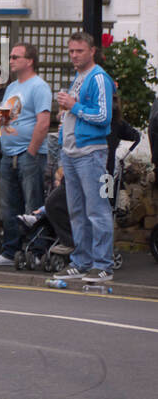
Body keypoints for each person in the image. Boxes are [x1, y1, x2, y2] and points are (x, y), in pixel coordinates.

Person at [55, 31, 115, 283]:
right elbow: (78, 113)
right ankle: (82, 261)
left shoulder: (98, 78)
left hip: (91, 154)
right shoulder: (79, 77)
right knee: (77, 211)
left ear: (92, 51)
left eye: (79, 51)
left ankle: (103, 265)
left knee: (97, 210)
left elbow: (103, 116)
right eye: (71, 51)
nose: (74, 55)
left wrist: (73, 107)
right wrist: (65, 116)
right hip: (72, 152)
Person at [0, 42, 52, 266]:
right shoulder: (12, 87)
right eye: (11, 57)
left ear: (30, 61)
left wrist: (31, 152)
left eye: (16, 57)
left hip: (28, 155)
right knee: (9, 206)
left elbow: (43, 122)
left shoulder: (39, 86)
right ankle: (10, 251)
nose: (11, 60)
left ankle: (35, 251)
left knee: (32, 205)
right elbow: (4, 118)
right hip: (9, 154)